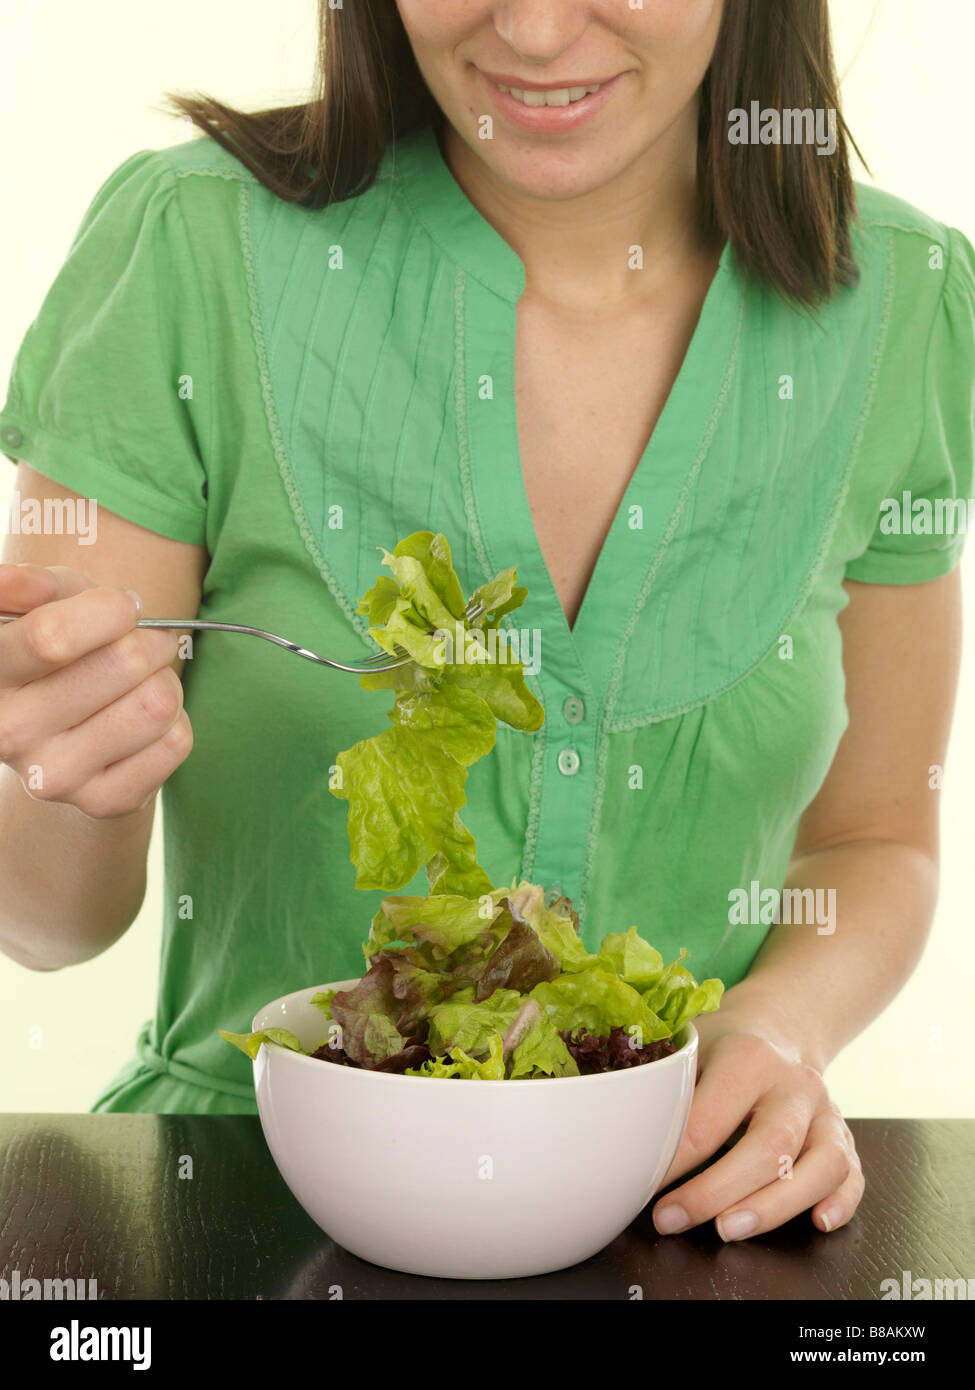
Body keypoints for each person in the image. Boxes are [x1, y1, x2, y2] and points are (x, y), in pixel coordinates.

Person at [0, 0, 972, 1249]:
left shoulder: (904, 302)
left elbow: (880, 836)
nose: (531, 25)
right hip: (239, 1220)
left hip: (690, 1216)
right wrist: (71, 767)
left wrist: (774, 1027)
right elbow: (45, 915)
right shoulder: (189, 248)